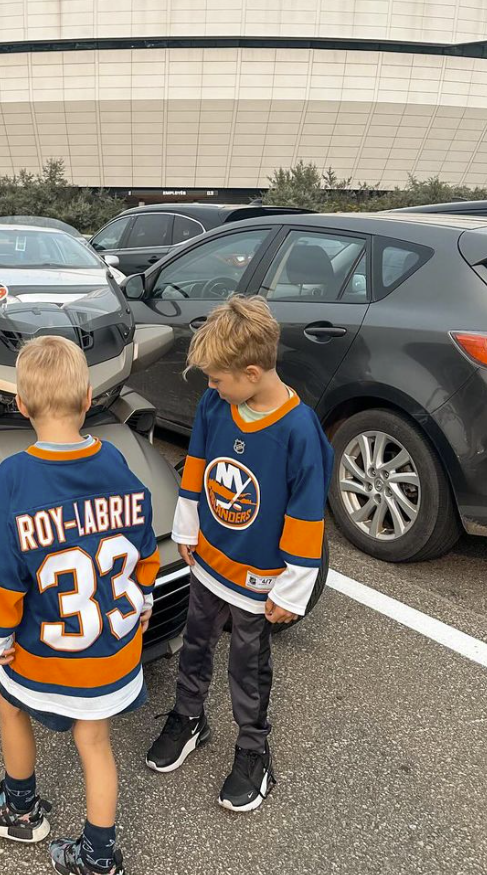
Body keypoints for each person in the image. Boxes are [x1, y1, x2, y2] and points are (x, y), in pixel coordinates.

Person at [0, 334, 160, 875]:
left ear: (21, 405)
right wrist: (143, 597)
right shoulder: (114, 459)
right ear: (89, 397)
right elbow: (142, 542)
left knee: (9, 702)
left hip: (50, 653)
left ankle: (20, 808)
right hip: (110, 650)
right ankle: (99, 855)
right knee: (94, 739)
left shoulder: (16, 475)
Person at [146, 295, 332, 812]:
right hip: (210, 560)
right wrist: (187, 527)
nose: (211, 387)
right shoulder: (216, 405)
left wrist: (293, 589)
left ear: (252, 373)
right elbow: (197, 463)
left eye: (217, 379)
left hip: (258, 576)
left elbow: (306, 514)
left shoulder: (298, 430)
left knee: (247, 665)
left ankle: (253, 749)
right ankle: (189, 717)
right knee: (196, 642)